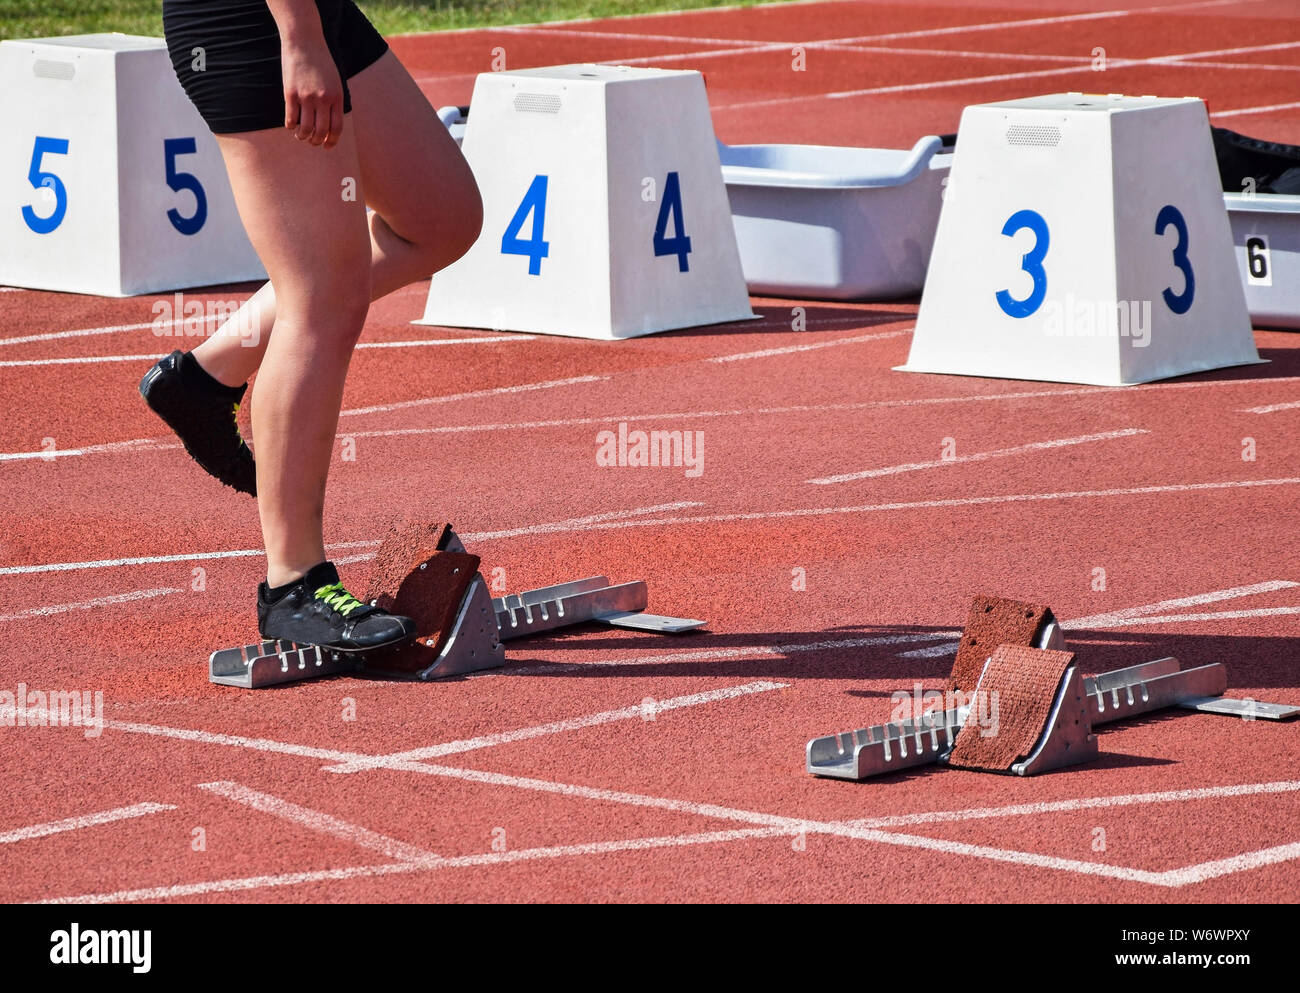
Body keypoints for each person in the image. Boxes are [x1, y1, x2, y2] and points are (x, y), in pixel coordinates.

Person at [140, 0, 483, 651]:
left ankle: (208, 376)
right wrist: (297, 37)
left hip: (316, 16)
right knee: (322, 300)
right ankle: (293, 584)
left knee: (442, 216)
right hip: (255, 20)